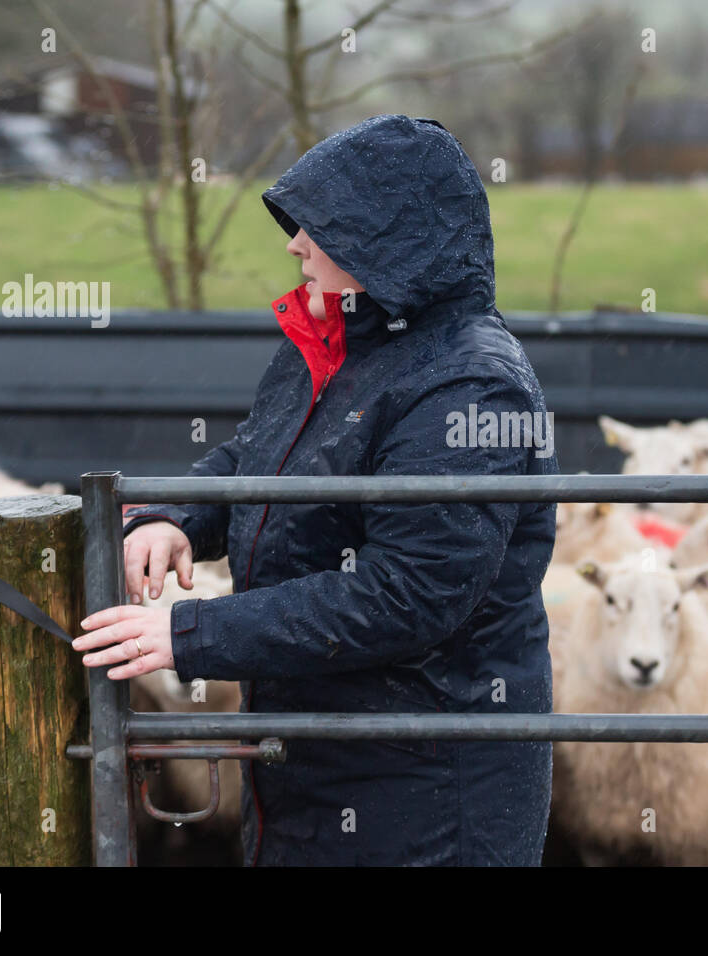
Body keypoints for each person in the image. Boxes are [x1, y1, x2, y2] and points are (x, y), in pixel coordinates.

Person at [72, 114, 558, 866]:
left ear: (387, 240)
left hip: (427, 787)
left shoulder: (471, 386)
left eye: (321, 225)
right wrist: (176, 517)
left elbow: (408, 594)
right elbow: (255, 459)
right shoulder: (332, 343)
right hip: (309, 764)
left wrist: (190, 634)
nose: (295, 243)